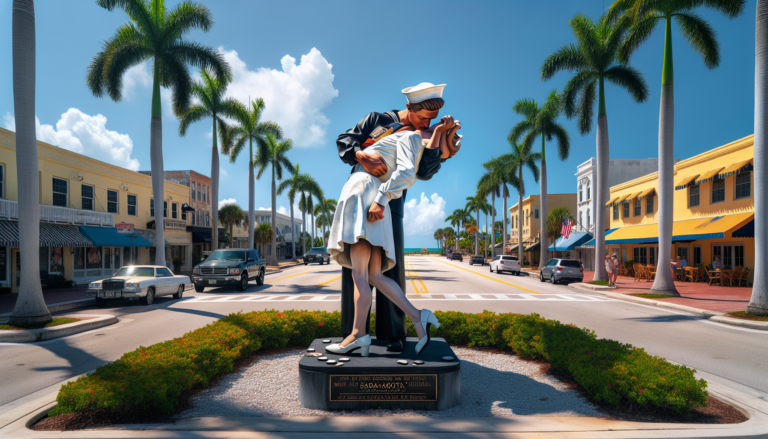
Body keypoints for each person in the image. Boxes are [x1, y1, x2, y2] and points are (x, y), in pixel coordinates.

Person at [335, 83, 460, 352]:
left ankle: (393, 335)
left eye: (431, 120)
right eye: (423, 118)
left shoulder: (421, 135)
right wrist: (361, 155)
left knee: (388, 269)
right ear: (410, 108)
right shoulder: (377, 120)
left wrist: (440, 141)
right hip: (363, 194)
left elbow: (424, 171)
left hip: (388, 202)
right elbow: (345, 140)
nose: (426, 123)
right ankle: (357, 331)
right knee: (363, 273)